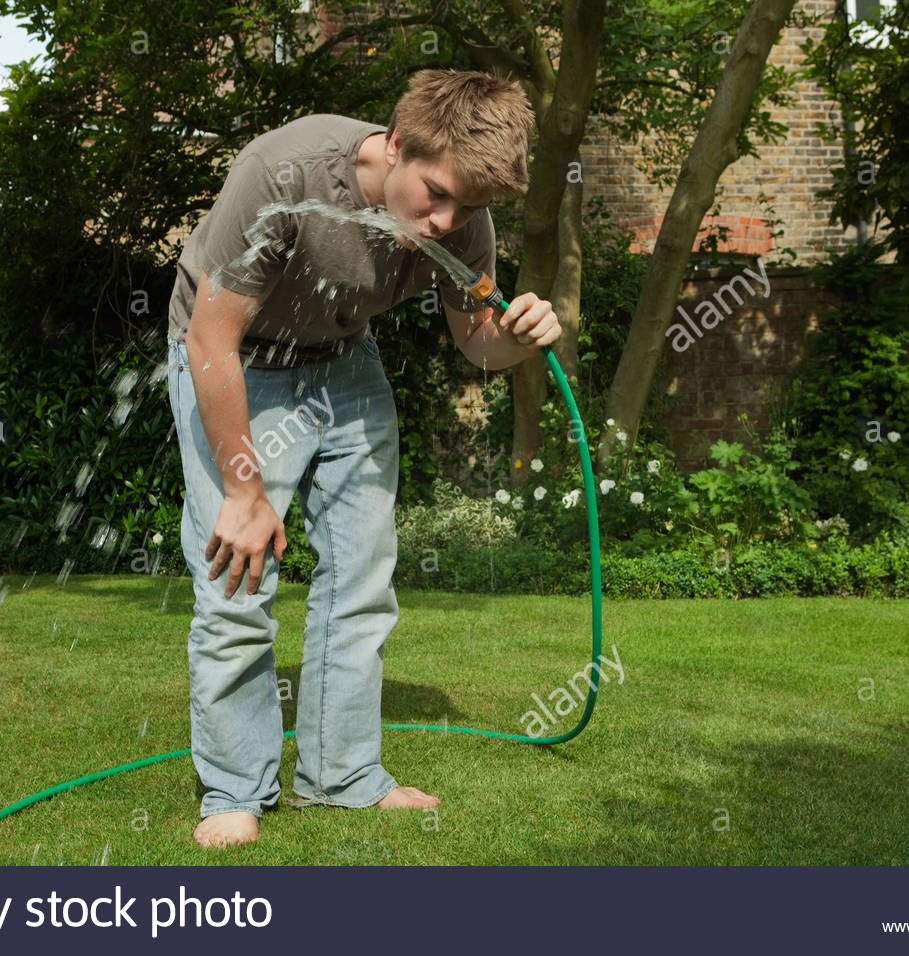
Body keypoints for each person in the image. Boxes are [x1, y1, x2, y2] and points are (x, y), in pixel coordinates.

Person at [165, 68, 561, 849]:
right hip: (236, 360)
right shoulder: (286, 172)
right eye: (438, 194)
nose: (449, 221)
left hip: (344, 361)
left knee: (363, 578)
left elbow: (474, 343)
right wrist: (245, 496)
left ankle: (341, 776)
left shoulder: (465, 220)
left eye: (470, 207)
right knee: (238, 576)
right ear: (398, 143)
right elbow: (212, 339)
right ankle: (234, 790)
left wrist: (514, 339)